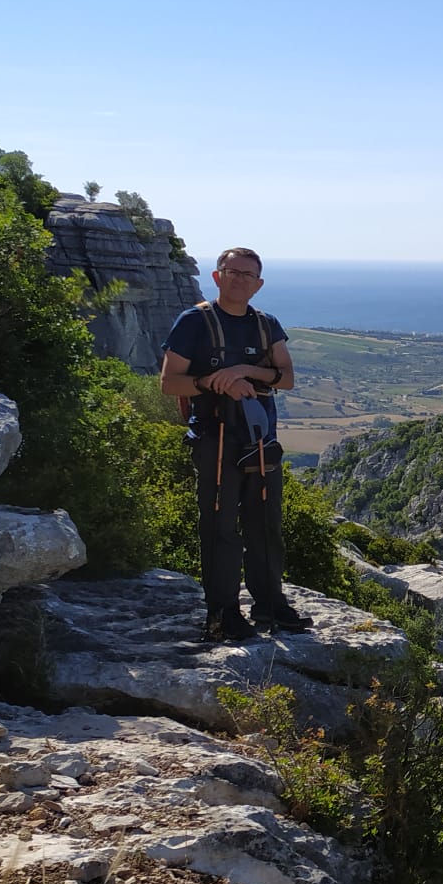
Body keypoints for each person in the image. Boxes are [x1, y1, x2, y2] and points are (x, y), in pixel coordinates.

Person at [158, 247, 312, 641]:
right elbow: (169, 382)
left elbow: (287, 376)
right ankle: (222, 612)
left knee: (265, 522)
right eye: (232, 272)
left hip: (259, 439)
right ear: (217, 276)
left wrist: (242, 370)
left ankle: (269, 603)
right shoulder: (195, 322)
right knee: (220, 524)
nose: (240, 279)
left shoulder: (266, 325)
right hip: (215, 437)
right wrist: (212, 382)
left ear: (258, 285)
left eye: (248, 275)